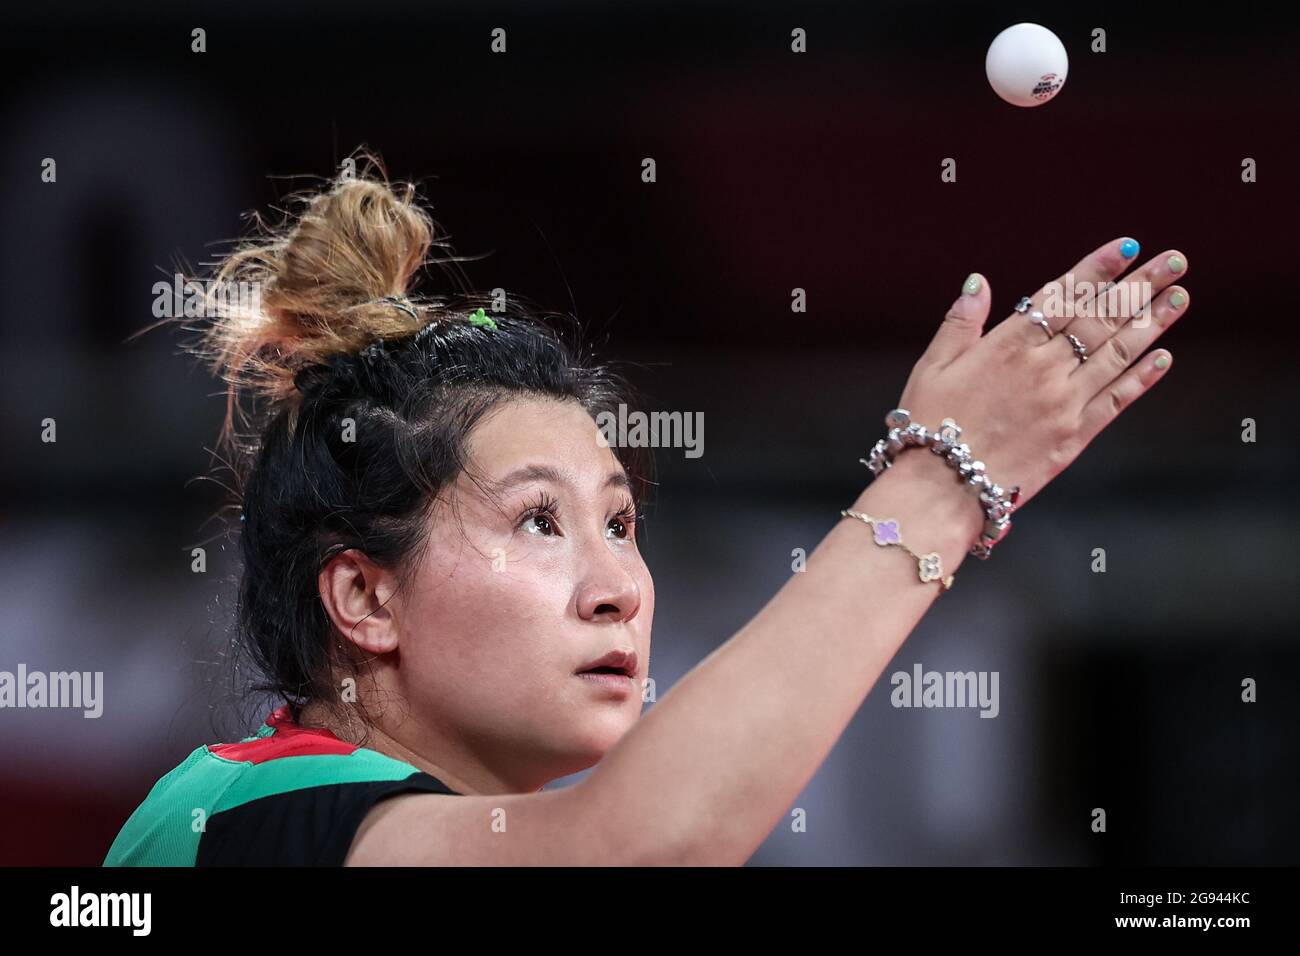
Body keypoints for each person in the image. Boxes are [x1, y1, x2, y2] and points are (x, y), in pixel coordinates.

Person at [104, 154, 1191, 866]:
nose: (619, 588)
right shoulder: (234, 824)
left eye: (620, 524)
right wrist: (940, 483)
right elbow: (641, 844)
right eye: (539, 518)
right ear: (363, 594)